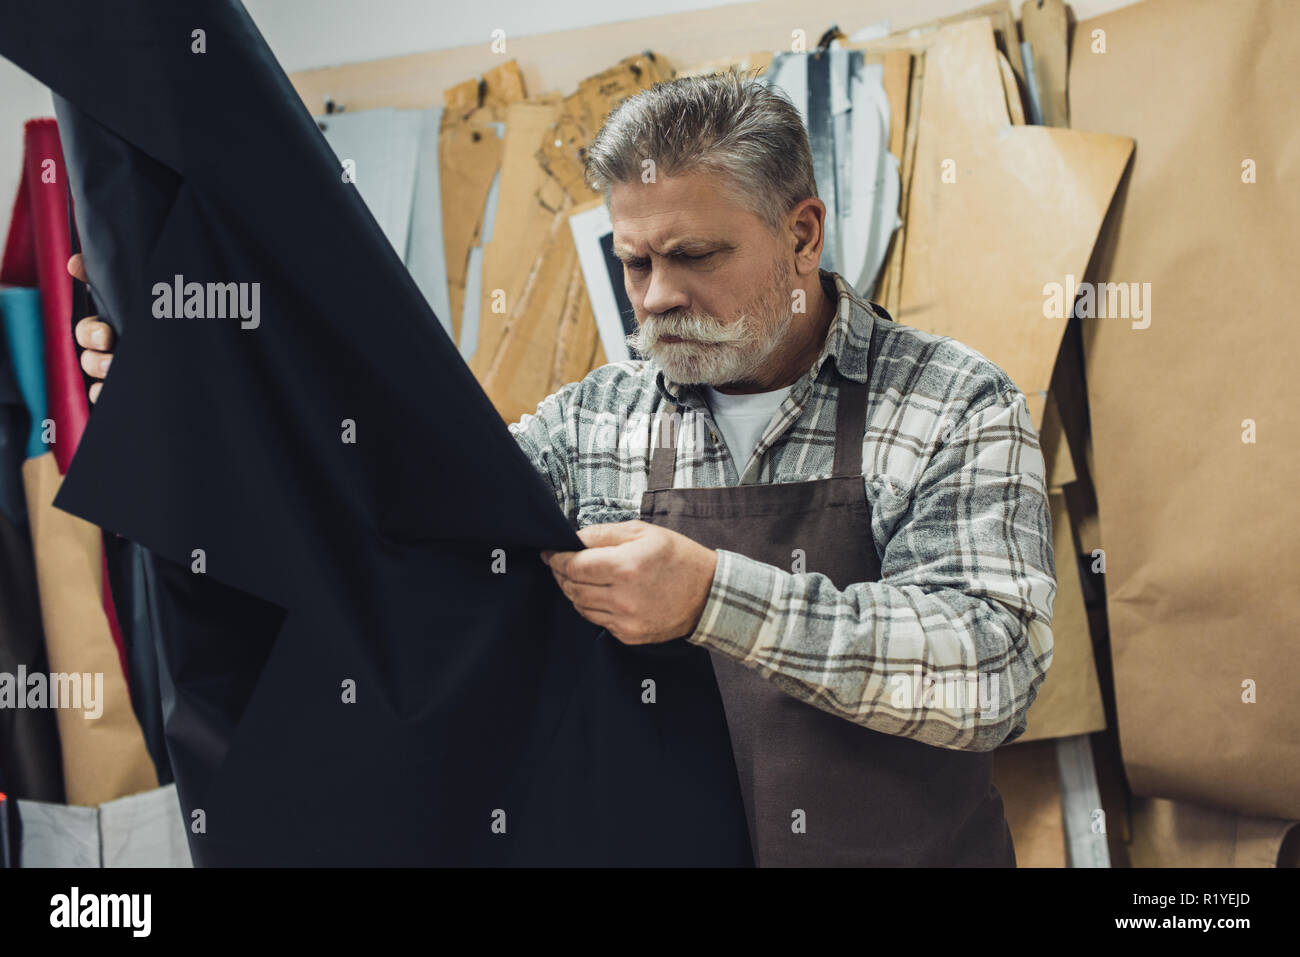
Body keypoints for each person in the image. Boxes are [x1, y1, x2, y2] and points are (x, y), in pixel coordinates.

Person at [69, 70, 1055, 866]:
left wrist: (711, 597)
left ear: (802, 232)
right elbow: (386, 525)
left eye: (694, 255)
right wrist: (193, 392)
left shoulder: (950, 401)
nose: (658, 297)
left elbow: (989, 669)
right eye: (633, 264)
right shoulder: (594, 422)